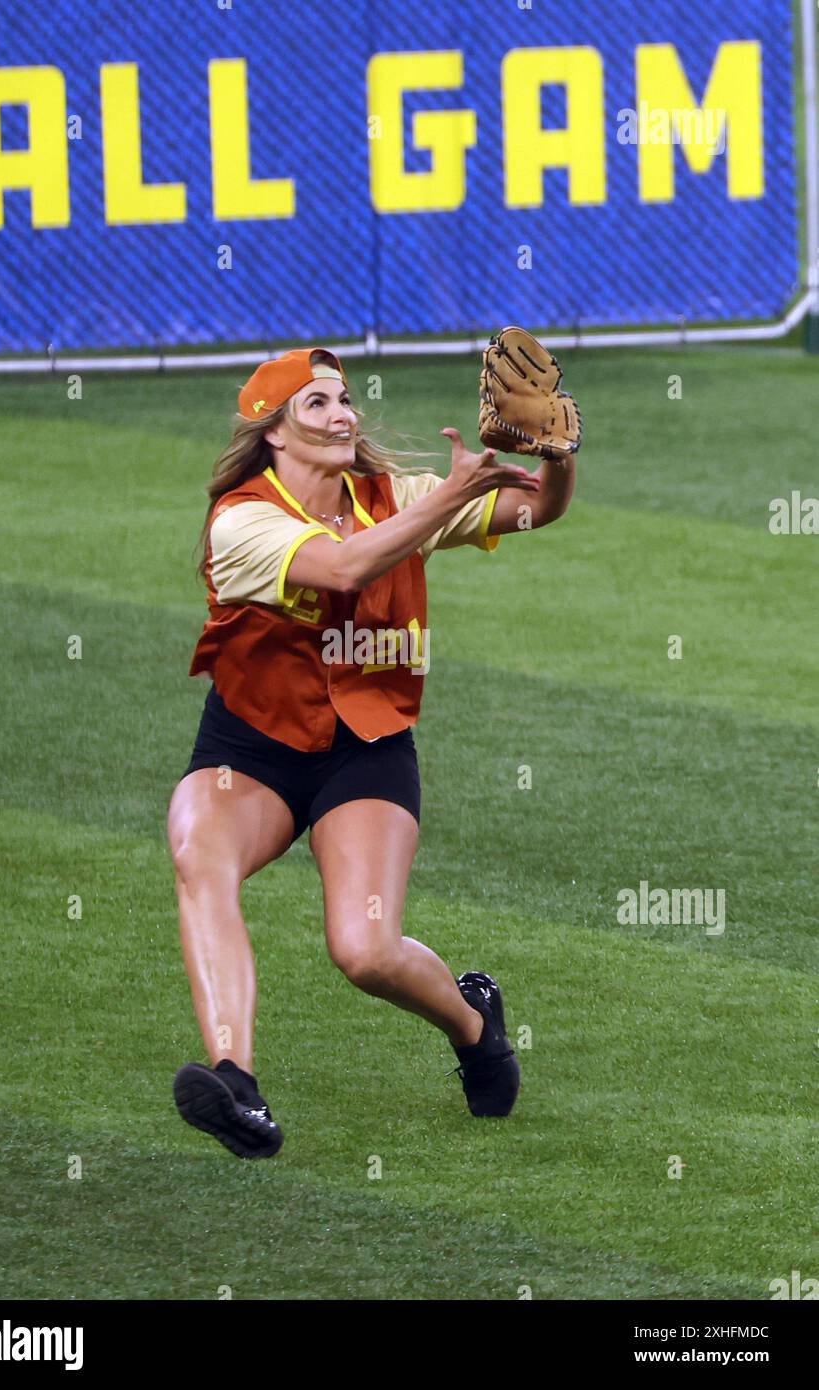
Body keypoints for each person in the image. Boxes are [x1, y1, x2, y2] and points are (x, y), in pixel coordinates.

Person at [168, 345, 576, 1158]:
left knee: (364, 951)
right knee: (197, 855)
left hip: (366, 745)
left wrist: (559, 455)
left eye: (344, 398)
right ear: (271, 433)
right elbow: (347, 565)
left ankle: (471, 1024)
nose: (343, 413)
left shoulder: (399, 495)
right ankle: (236, 1083)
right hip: (251, 742)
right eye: (315, 404)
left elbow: (538, 511)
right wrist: (450, 497)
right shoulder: (242, 520)